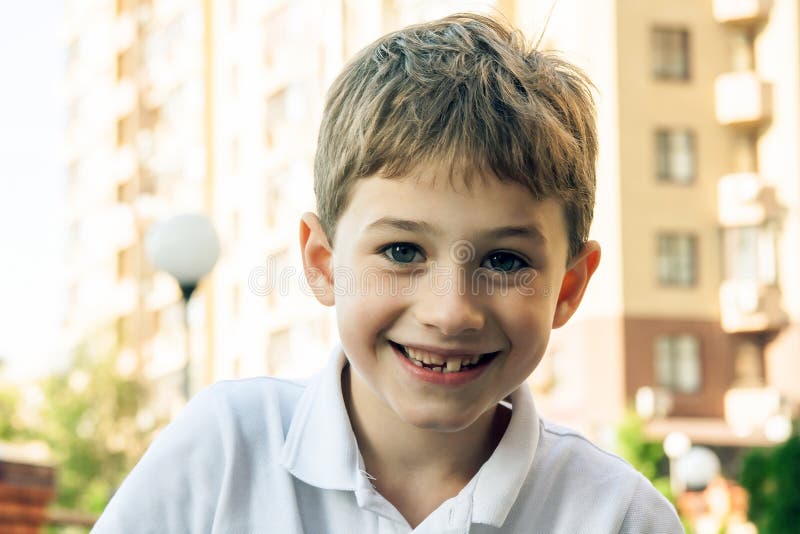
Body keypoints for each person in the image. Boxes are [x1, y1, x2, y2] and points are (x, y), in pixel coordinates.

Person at [93, 13, 684, 533]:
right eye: (402, 252)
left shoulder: (618, 516)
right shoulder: (223, 452)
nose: (450, 312)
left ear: (569, 287)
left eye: (505, 260)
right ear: (323, 264)